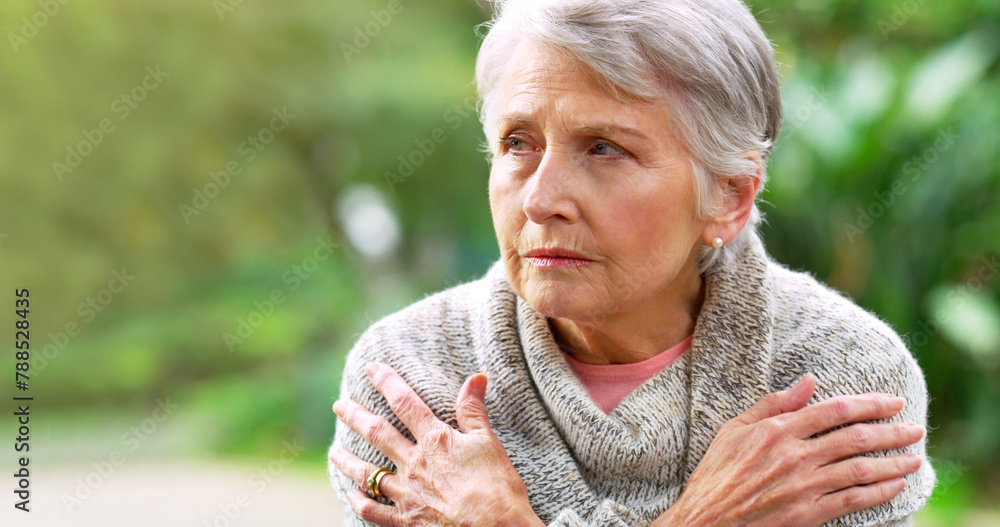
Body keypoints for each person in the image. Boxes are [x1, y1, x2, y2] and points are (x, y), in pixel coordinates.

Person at [327, 0, 936, 525]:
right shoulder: (411, 376)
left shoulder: (834, 381)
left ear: (728, 197)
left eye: (604, 148)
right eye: (518, 143)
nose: (540, 200)